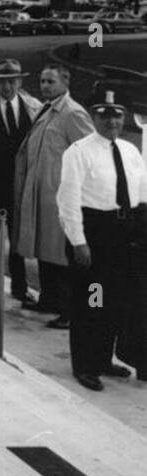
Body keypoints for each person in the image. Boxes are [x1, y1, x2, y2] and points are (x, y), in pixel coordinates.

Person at [56, 89, 147, 391]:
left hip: (124, 236)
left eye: (117, 114)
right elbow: (67, 201)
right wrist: (78, 242)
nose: (111, 121)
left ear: (124, 117)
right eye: (104, 114)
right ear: (94, 116)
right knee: (92, 299)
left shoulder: (130, 151)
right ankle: (85, 364)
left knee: (115, 302)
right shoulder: (79, 152)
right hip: (94, 234)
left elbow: (142, 193)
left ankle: (104, 359)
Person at [15, 64, 94, 329]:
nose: (45, 86)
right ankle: (49, 299)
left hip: (60, 196)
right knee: (44, 249)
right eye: (42, 81)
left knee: (62, 255)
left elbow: (88, 155)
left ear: (65, 82)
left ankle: (68, 310)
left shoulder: (73, 114)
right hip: (41, 194)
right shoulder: (46, 110)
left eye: (50, 81)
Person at [0, 59, 42, 304]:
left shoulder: (33, 107)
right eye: (2, 81)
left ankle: (20, 288)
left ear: (20, 81)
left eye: (12, 81)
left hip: (19, 186)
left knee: (18, 240)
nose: (7, 86)